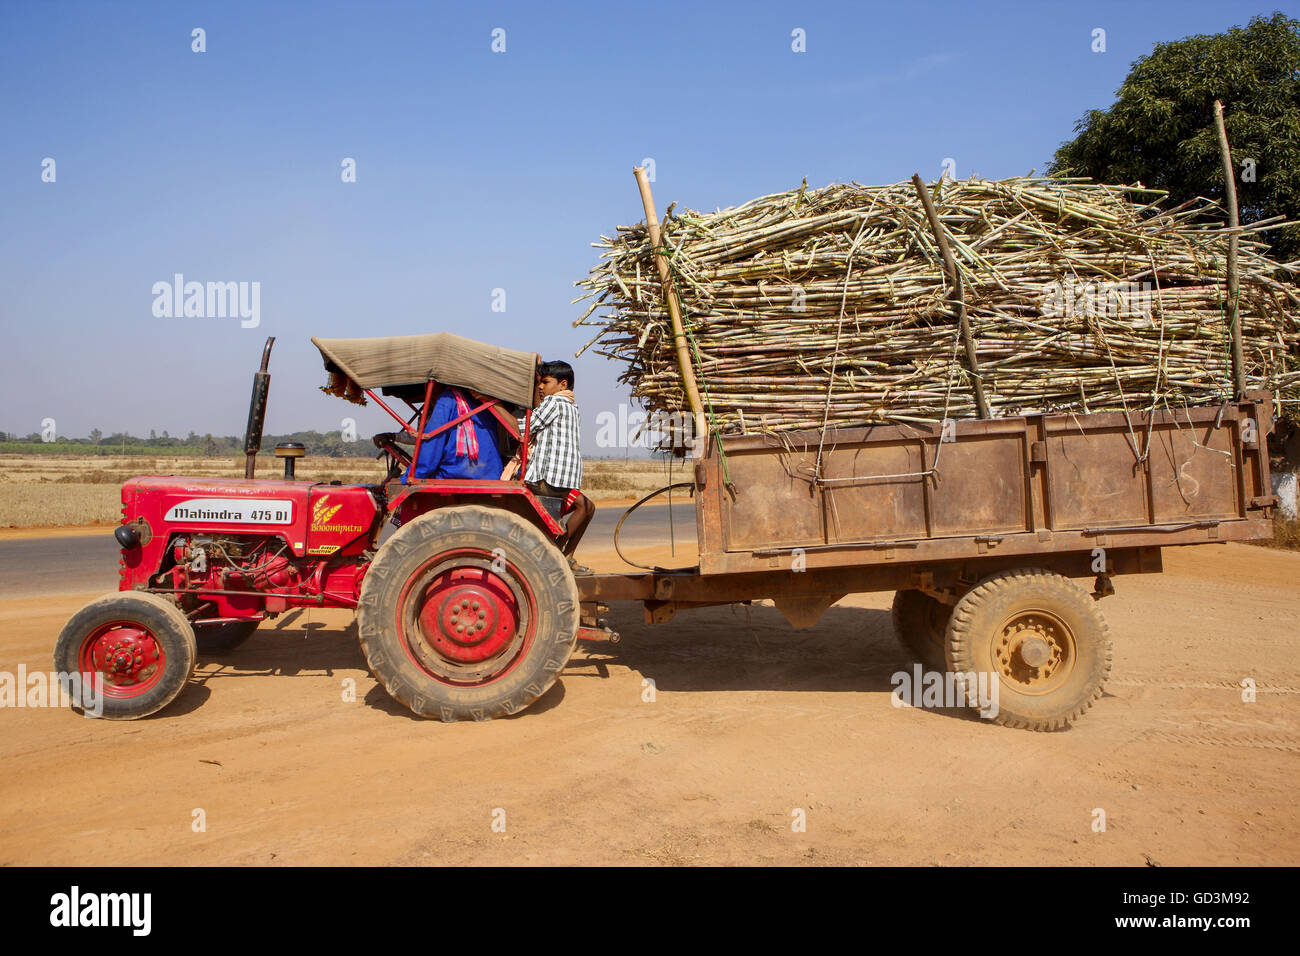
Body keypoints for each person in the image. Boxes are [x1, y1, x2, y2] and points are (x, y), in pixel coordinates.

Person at [503, 360, 595, 571]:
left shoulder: (553, 404)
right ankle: (566, 556)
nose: (541, 387)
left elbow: (522, 429)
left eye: (545, 382)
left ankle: (555, 554)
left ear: (563, 384)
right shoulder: (572, 406)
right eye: (539, 383)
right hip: (563, 481)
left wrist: (497, 407)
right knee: (587, 506)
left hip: (546, 480)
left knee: (584, 506)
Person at [373, 386, 504, 481]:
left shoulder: (447, 400)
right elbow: (422, 437)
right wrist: (392, 436)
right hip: (491, 473)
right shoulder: (478, 403)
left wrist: (411, 475)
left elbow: (430, 446)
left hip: (457, 474)